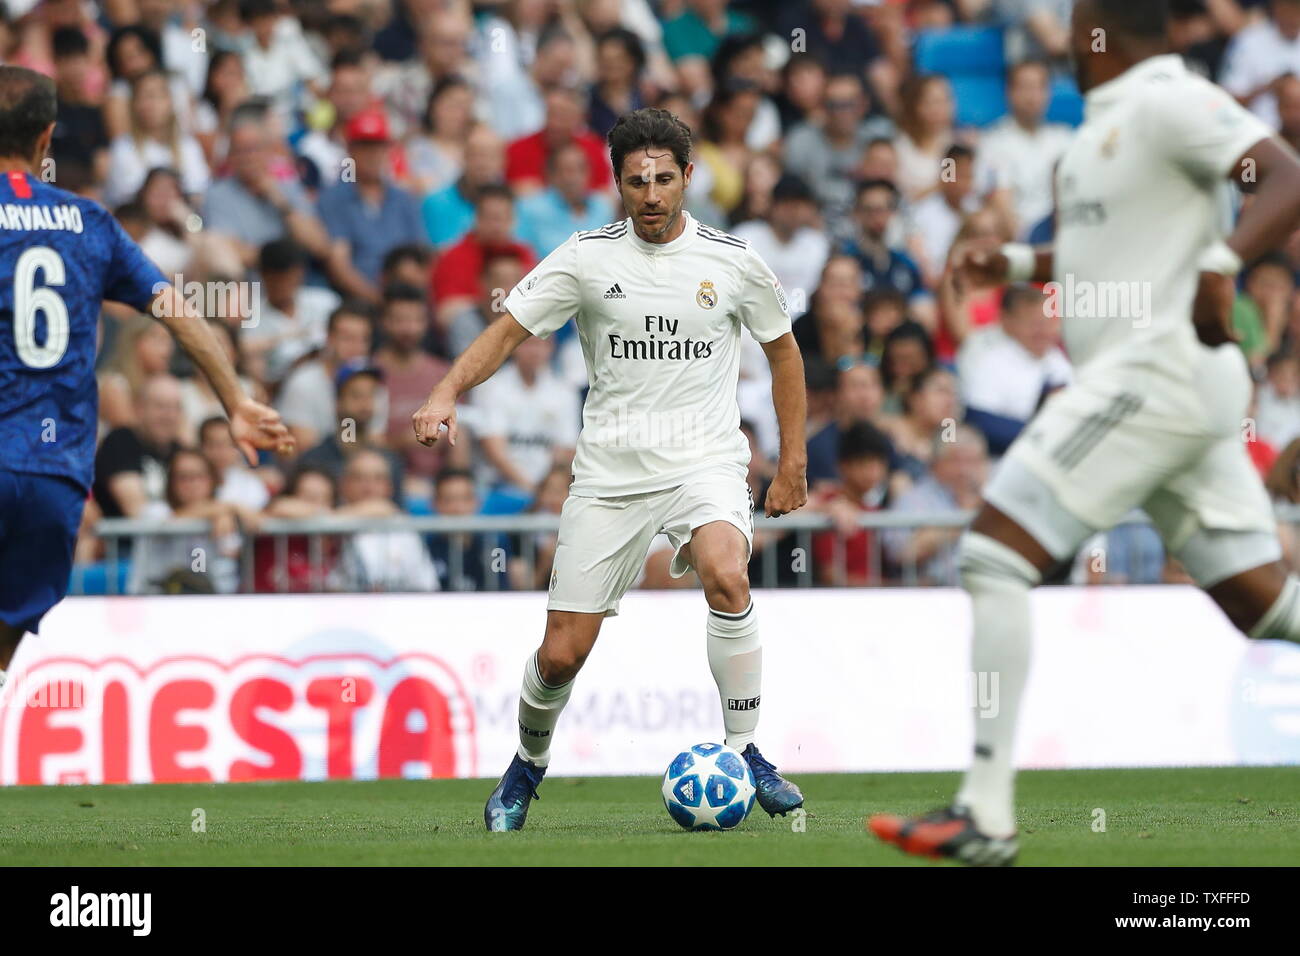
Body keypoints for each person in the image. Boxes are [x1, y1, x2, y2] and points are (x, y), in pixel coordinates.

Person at [869, 0, 1300, 866]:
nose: (1067, 44)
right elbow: (1106, 257)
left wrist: (1223, 264)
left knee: (992, 554)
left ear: (1095, 36)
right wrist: (1020, 264)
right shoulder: (1097, 135)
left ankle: (984, 815)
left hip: (1154, 375)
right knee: (1268, 607)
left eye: (1075, 31)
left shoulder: (1169, 98)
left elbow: (1285, 175)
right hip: (1174, 393)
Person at [412, 107, 808, 830]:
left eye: (663, 179)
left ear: (688, 178)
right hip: (610, 472)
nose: (651, 195)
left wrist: (792, 461)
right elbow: (507, 332)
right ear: (617, 185)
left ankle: (745, 751)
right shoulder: (585, 258)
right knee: (561, 654)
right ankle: (528, 765)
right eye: (636, 182)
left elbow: (783, 349)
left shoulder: (732, 260)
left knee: (727, 570)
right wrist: (444, 391)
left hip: (705, 457)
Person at [0, 66, 290, 690]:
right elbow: (180, 311)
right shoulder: (91, 223)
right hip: (54, 474)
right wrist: (235, 399)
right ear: (47, 138)